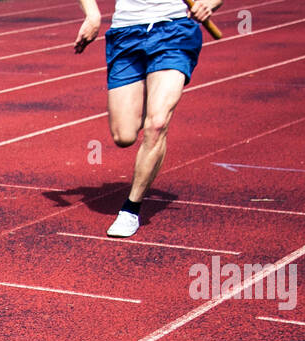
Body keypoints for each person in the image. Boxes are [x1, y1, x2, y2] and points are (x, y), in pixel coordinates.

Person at [74, 0, 222, 237]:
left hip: (174, 31)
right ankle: (149, 102)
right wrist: (92, 15)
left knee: (157, 124)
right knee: (123, 136)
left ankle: (130, 209)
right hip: (126, 33)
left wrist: (209, 3)